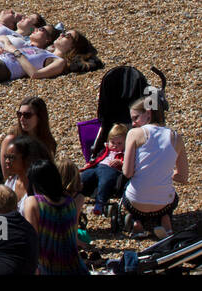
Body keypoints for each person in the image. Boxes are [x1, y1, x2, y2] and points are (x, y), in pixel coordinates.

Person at [123, 95, 189, 237]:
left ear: (148, 113)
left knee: (128, 187)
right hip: (164, 203)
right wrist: (163, 172)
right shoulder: (176, 137)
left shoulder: (134, 134)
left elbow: (127, 172)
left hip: (135, 203)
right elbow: (183, 177)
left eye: (135, 118)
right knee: (170, 195)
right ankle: (165, 220)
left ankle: (137, 221)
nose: (133, 123)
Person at [22, 159, 84, 274]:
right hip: (75, 267)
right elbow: (73, 237)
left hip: (47, 268)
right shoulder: (70, 202)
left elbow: (31, 240)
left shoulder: (33, 202)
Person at [80, 123, 127, 214]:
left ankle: (100, 203)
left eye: (119, 143)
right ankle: (75, 193)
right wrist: (89, 164)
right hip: (97, 167)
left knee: (105, 181)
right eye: (112, 142)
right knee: (84, 176)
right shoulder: (105, 150)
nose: (115, 146)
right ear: (108, 141)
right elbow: (97, 158)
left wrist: (121, 163)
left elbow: (128, 165)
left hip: (111, 170)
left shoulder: (124, 153)